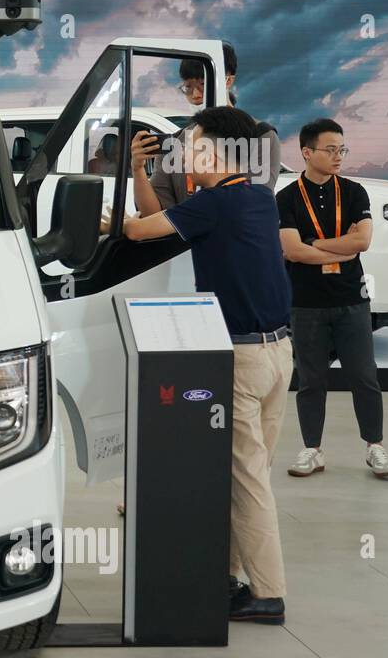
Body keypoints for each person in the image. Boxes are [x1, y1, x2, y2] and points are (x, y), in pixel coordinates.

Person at [121, 106, 294, 625]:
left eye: (192, 146)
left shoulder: (215, 204)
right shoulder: (257, 198)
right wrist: (138, 177)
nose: (185, 155)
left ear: (216, 151)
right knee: (248, 475)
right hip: (278, 353)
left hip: (240, 357)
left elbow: (139, 232)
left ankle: (268, 595)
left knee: (246, 479)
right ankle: (232, 579)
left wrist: (115, 220)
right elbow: (162, 224)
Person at [277, 118, 388, 479]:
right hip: (306, 302)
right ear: (307, 153)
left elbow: (362, 242)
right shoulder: (287, 197)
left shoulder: (355, 191)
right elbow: (292, 251)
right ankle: (312, 449)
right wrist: (337, 248)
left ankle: (375, 445)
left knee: (364, 375)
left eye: (341, 149)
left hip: (352, 299)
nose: (338, 156)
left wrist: (316, 244)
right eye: (330, 150)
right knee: (311, 379)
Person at [129, 43, 282, 215]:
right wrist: (138, 168)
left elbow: (250, 207)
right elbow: (153, 213)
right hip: (181, 240)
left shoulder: (260, 136)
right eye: (188, 87)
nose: (195, 95)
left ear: (228, 81)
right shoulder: (175, 141)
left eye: (202, 84)